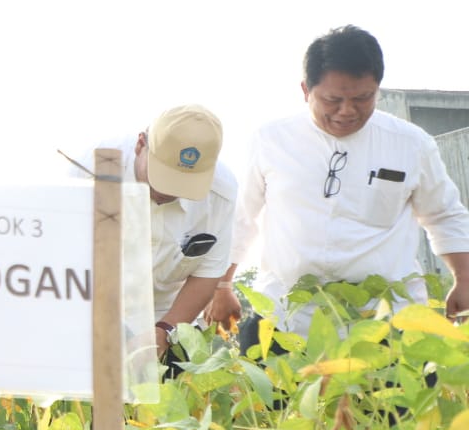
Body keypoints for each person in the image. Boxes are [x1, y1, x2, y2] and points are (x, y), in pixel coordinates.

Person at [209, 25, 469, 338]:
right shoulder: (271, 140)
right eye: (332, 100)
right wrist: (222, 285)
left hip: (387, 318)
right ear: (306, 90)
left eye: (363, 98)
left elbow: (443, 215)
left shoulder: (411, 143)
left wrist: (464, 278)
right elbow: (242, 218)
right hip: (288, 316)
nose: (347, 111)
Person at [73, 105, 236, 368]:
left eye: (182, 183)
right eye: (161, 177)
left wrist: (163, 332)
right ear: (140, 144)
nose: (167, 192)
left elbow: (207, 273)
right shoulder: (89, 171)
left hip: (168, 319)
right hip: (86, 316)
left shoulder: (222, 192)